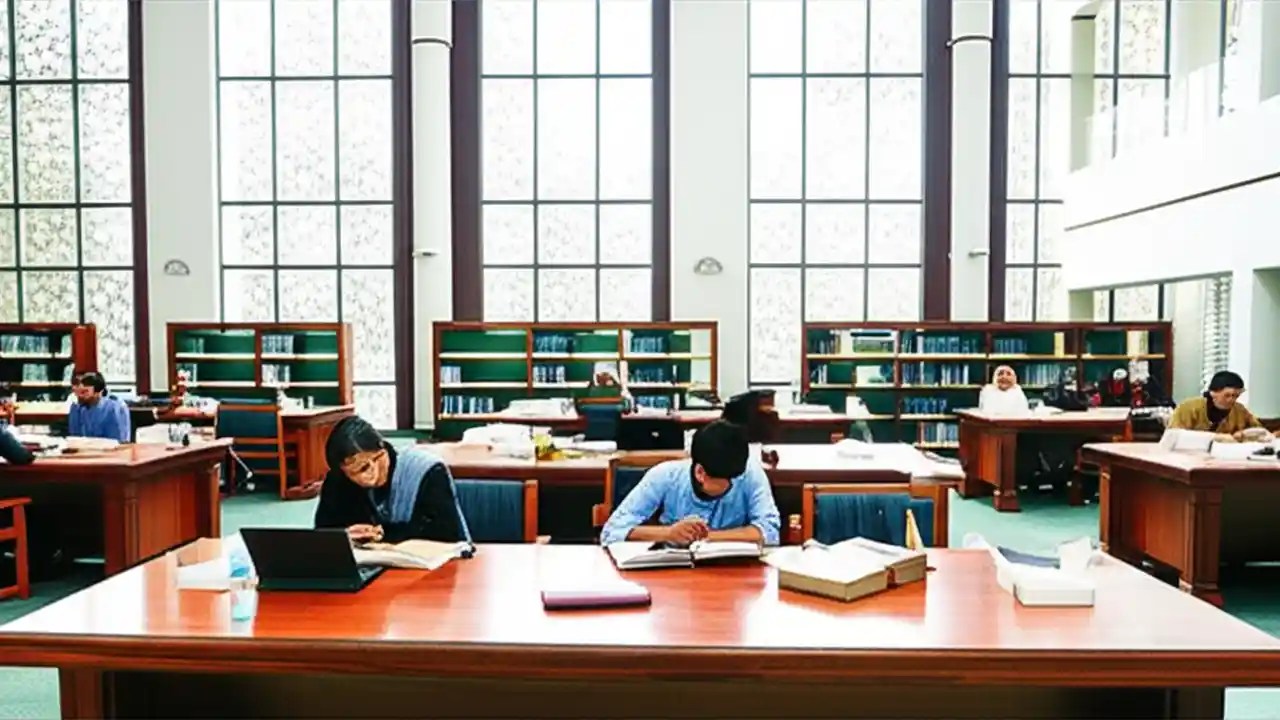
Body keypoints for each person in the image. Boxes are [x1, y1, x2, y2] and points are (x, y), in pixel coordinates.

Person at [600, 419, 780, 546]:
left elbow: (770, 533)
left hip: (732, 574)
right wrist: (669, 534)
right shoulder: (664, 476)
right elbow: (611, 532)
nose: (733, 484)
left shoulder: (750, 473)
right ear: (700, 473)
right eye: (725, 481)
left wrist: (707, 537)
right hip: (671, 576)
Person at [314, 416, 468, 544]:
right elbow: (323, 533)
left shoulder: (427, 470)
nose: (364, 477)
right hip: (367, 567)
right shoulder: (338, 479)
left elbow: (444, 533)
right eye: (354, 473)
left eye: (365, 467)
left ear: (382, 451)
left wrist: (384, 535)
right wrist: (345, 534)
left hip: (428, 566)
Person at [1168, 370, 1263, 439]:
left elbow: (1260, 431)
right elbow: (1174, 435)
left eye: (1236, 396)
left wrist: (1242, 434)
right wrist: (1216, 437)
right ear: (1213, 393)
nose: (1232, 400)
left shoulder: (1240, 410)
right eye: (1227, 395)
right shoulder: (1188, 408)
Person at [68, 372, 130, 442]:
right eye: (77, 392)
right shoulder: (76, 408)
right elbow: (74, 439)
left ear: (99, 392)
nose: (80, 396)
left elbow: (118, 443)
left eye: (84, 392)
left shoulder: (114, 409)